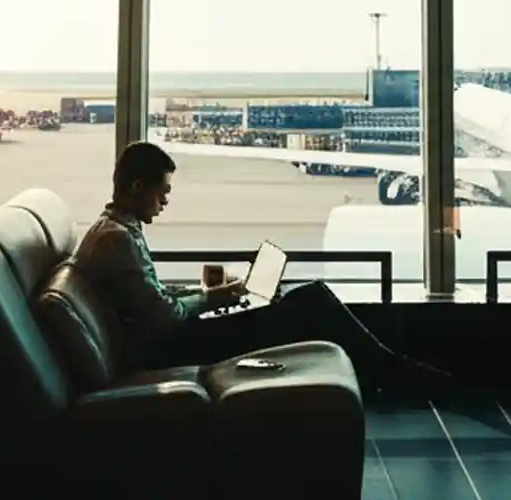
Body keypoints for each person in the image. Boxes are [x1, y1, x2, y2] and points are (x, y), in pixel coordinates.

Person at [71, 140, 453, 395]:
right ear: (138, 187)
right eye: (163, 192)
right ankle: (394, 372)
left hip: (176, 337)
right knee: (311, 299)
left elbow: (152, 297)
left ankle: (387, 371)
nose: (165, 202)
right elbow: (164, 317)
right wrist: (211, 298)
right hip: (175, 347)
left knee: (299, 298)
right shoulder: (115, 240)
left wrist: (212, 296)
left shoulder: (116, 231)